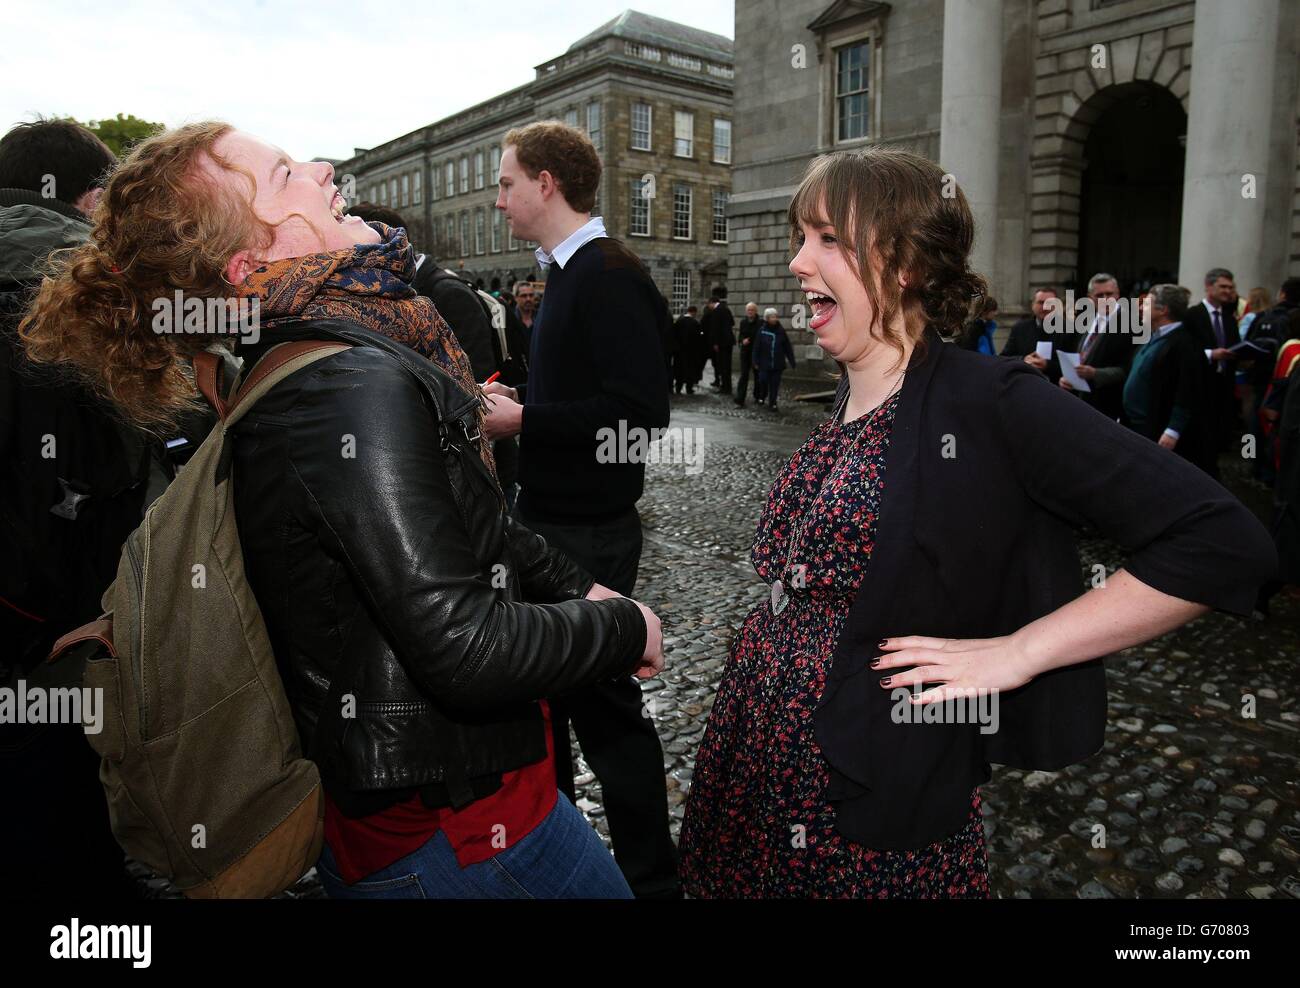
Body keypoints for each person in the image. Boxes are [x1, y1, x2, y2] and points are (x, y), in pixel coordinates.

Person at [19, 121, 668, 900]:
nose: (324, 167)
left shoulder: (318, 346)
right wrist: (629, 626)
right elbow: (464, 649)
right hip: (461, 838)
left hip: (427, 817)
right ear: (251, 264)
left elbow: (468, 521)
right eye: (287, 173)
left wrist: (581, 586)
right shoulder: (346, 382)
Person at [677, 145, 1276, 899]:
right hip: (762, 749)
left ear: (903, 265)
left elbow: (1223, 541)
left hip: (873, 789)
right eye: (802, 236)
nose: (799, 262)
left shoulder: (991, 401)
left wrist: (1020, 651)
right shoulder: (847, 395)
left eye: (827, 238)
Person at [481, 121, 680, 898]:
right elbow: (577, 396)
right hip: (549, 520)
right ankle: (557, 862)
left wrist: (523, 421)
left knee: (607, 713)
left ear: (545, 184)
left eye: (505, 184)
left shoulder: (608, 274)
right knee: (545, 707)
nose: (499, 200)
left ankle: (651, 880)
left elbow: (640, 412)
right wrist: (520, 399)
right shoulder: (563, 273)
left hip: (589, 532)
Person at [0, 118, 149, 899]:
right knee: (60, 826)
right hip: (50, 627)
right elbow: (107, 471)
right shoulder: (75, 292)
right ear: (91, 199)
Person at [1122, 284, 1212, 472]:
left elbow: (1188, 389)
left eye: (1146, 304)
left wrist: (1173, 430)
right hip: (1139, 426)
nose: (1140, 308)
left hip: (1158, 429)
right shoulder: (1154, 337)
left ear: (1163, 310)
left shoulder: (1184, 344)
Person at [1183, 267, 1241, 473]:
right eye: (1223, 286)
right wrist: (1210, 354)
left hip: (1223, 389)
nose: (1228, 291)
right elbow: (1185, 351)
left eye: (1230, 287)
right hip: (1200, 387)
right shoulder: (1192, 315)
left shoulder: (1229, 318)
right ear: (1209, 286)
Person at [1057, 272, 1133, 422]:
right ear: (1090, 297)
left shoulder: (1131, 324)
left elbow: (1129, 369)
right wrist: (1068, 378)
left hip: (1109, 407)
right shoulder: (1085, 321)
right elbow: (1080, 356)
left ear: (1117, 295)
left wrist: (1096, 374)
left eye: (1109, 294)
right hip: (1080, 403)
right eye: (1099, 295)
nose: (1105, 299)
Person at [754, 307, 796, 410]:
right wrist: (755, 360)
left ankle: (773, 403)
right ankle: (763, 395)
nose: (774, 319)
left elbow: (787, 347)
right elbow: (756, 347)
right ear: (767, 318)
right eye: (772, 317)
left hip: (777, 364)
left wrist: (792, 361)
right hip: (764, 363)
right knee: (763, 381)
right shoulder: (762, 330)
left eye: (775, 317)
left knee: (774, 385)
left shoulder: (781, 331)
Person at [1004, 287, 1057, 360]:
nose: (1045, 307)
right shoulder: (1019, 328)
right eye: (1041, 302)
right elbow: (1005, 357)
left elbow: (1073, 364)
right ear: (1033, 305)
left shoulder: (1068, 331)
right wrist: (1024, 359)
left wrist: (1047, 365)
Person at [703, 290, 735, 394]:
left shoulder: (716, 311)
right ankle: (727, 386)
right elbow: (732, 322)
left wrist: (715, 343)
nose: (709, 307)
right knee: (727, 366)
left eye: (709, 304)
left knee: (722, 366)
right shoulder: (726, 309)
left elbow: (715, 329)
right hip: (729, 341)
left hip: (721, 343)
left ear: (712, 302)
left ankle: (725, 388)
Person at [673, 305, 705, 394]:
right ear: (694, 312)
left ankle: (678, 388)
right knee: (690, 370)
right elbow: (699, 337)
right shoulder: (695, 323)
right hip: (692, 351)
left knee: (679, 369)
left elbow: (674, 334)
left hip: (680, 351)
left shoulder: (679, 321)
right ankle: (689, 388)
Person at [735, 301, 761, 406]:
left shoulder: (760, 323)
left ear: (755, 311)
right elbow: (740, 336)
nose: (750, 312)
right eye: (748, 310)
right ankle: (740, 398)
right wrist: (742, 341)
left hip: (756, 353)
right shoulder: (743, 322)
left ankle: (758, 396)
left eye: (752, 310)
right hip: (745, 352)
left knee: (757, 376)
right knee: (743, 376)